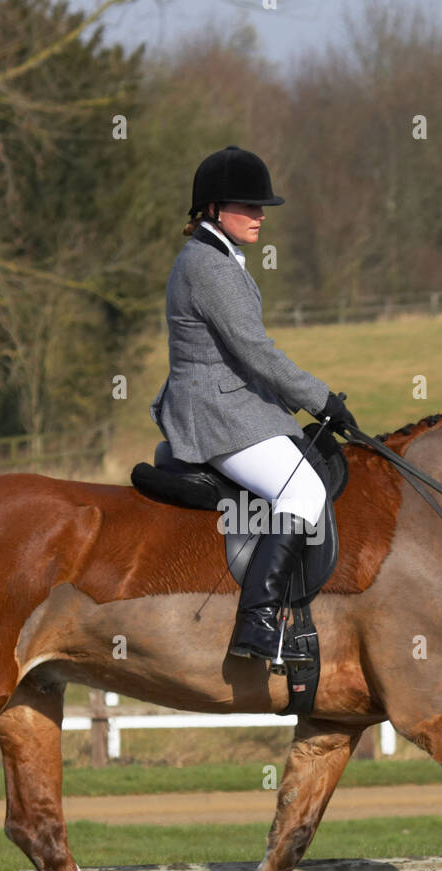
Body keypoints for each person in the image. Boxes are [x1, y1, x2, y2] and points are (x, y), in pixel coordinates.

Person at [150, 146, 360, 663]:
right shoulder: (210, 266)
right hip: (216, 416)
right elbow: (256, 352)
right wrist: (320, 400)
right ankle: (258, 622)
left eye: (263, 206)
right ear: (216, 209)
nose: (261, 216)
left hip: (234, 405)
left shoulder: (218, 256)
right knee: (303, 491)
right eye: (250, 206)